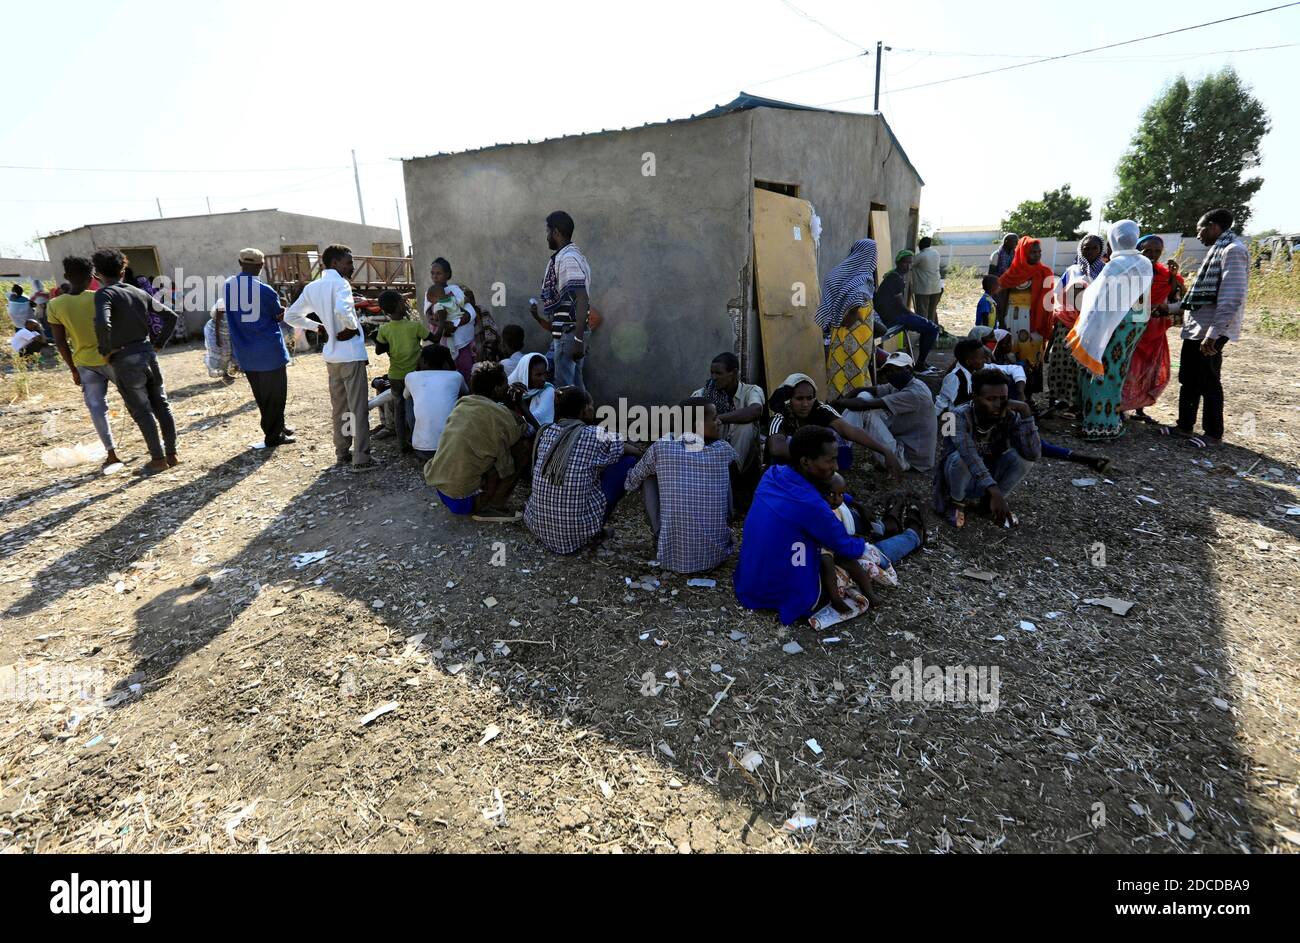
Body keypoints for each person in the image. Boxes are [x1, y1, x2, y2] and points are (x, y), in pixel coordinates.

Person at [736, 426, 908, 625]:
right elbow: (846, 546)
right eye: (830, 460)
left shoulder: (773, 474)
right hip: (786, 588)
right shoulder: (812, 506)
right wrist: (864, 547)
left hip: (752, 579)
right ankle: (913, 535)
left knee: (843, 527)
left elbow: (816, 497)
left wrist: (853, 503)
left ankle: (896, 524)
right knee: (869, 553)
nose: (836, 466)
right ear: (805, 462)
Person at [284, 244, 377, 470]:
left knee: (341, 408)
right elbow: (344, 310)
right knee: (357, 408)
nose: (352, 266)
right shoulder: (341, 284)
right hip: (350, 355)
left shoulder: (313, 287)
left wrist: (318, 327)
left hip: (332, 358)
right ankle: (362, 458)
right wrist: (351, 327)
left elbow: (291, 315)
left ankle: (342, 452)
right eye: (348, 262)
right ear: (335, 263)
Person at [624, 398, 737, 574]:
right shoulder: (724, 449)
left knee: (648, 476)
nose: (719, 422)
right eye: (714, 418)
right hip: (716, 555)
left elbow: (631, 482)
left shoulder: (662, 447)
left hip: (672, 558)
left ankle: (661, 535)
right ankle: (721, 530)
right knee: (724, 472)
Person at [524, 386, 643, 553]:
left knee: (589, 466)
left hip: (539, 526)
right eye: (591, 405)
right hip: (575, 532)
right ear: (585, 410)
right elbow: (623, 446)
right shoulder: (595, 434)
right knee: (627, 461)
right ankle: (594, 533)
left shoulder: (546, 431)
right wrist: (640, 452)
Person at [92, 248, 179, 474]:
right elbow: (170, 316)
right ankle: (172, 454)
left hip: (126, 358)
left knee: (142, 411)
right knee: (161, 405)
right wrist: (158, 343)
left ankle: (158, 460)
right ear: (123, 270)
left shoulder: (104, 294)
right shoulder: (138, 292)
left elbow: (103, 323)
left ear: (98, 272)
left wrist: (106, 350)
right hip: (148, 353)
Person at [1064, 220, 1153, 440]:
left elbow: (1096, 299)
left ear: (1113, 241)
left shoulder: (1115, 266)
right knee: (1117, 372)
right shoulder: (1144, 264)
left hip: (1111, 324)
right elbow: (1143, 301)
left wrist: (1090, 325)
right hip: (1133, 326)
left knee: (1097, 369)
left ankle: (1095, 425)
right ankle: (1110, 422)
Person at [933, 368, 1041, 528]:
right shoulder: (954, 416)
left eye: (1003, 398)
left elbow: (1033, 455)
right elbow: (968, 454)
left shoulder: (1010, 415)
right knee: (961, 458)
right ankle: (956, 503)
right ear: (975, 397)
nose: (998, 404)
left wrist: (1026, 413)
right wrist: (995, 491)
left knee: (1023, 460)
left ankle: (988, 503)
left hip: (988, 481)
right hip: (959, 479)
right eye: (991, 399)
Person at [1176, 208, 1248, 446]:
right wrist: (1170, 309)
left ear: (1214, 227)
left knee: (1208, 381)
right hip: (1198, 329)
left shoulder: (1233, 251)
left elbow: (1231, 297)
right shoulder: (1218, 251)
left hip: (1211, 331)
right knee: (1189, 378)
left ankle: (1213, 434)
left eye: (1200, 229)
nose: (1198, 236)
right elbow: (1199, 298)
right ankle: (1184, 426)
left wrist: (1214, 335)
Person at [423, 361, 529, 521]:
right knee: (523, 448)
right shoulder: (501, 416)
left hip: (443, 491)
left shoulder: (462, 405)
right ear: (497, 389)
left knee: (485, 451)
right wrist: (517, 404)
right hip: (464, 500)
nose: (508, 388)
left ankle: (483, 497)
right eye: (505, 385)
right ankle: (494, 506)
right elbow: (522, 429)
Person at [47, 255, 122, 470]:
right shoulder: (101, 297)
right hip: (112, 359)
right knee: (135, 401)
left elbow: (60, 342)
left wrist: (73, 369)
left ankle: (111, 453)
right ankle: (154, 445)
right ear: (92, 277)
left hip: (84, 363)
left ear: (66, 276)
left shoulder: (55, 305)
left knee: (97, 408)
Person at [223, 248, 295, 449]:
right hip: (268, 351)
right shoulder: (265, 290)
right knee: (276, 395)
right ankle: (274, 436)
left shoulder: (229, 287)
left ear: (240, 263)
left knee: (262, 396)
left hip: (245, 351)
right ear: (261, 266)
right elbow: (277, 315)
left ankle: (276, 426)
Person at [765, 373, 904, 477]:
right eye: (799, 399)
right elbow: (777, 449)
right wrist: (815, 460)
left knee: (834, 437)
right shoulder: (779, 417)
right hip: (789, 470)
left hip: (812, 464)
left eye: (810, 398)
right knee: (791, 442)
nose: (805, 404)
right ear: (789, 400)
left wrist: (886, 451)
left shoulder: (820, 409)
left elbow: (849, 431)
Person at [832, 351, 936, 474]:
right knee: (864, 395)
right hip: (900, 444)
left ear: (908, 369)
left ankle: (836, 449)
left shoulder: (914, 393)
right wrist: (844, 399)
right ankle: (838, 444)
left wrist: (837, 404)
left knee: (865, 412)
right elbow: (863, 390)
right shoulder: (900, 385)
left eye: (895, 370)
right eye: (888, 371)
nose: (890, 374)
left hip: (908, 459)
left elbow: (863, 405)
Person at [529, 210, 591, 391]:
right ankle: (585, 418)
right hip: (569, 333)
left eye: (548, 232)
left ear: (556, 232)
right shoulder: (567, 257)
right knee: (577, 388)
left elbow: (582, 298)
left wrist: (578, 339)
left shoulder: (568, 259)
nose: (547, 237)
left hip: (569, 333)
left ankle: (570, 420)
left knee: (564, 390)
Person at [692, 351, 765, 503]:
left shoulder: (751, 391)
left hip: (743, 461)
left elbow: (755, 410)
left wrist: (718, 419)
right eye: (712, 372)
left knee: (745, 425)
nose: (713, 377)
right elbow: (686, 416)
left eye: (718, 373)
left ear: (734, 373)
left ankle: (732, 477)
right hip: (710, 457)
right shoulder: (705, 393)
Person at [1122, 235, 1179, 419]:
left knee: (1149, 369)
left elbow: (1173, 297)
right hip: (1133, 327)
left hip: (1155, 329)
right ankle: (1121, 406)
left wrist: (1172, 278)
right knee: (1129, 368)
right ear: (1139, 250)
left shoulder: (1165, 274)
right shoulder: (1130, 271)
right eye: (1148, 250)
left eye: (1157, 251)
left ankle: (1140, 407)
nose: (1152, 254)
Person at [1046, 234, 1105, 413]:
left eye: (1094, 248)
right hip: (1067, 322)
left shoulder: (1106, 271)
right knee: (1061, 360)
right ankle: (1061, 397)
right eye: (1086, 248)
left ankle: (1078, 401)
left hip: (1091, 323)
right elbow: (1059, 293)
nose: (1090, 251)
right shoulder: (1072, 270)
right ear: (1081, 249)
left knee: (1081, 362)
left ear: (1101, 249)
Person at [817, 237, 880, 396]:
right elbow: (856, 304)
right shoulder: (861, 279)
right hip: (853, 336)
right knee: (853, 370)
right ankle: (850, 405)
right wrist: (848, 320)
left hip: (846, 335)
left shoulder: (849, 275)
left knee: (840, 370)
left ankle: (841, 402)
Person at [374, 288, 435, 452]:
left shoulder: (384, 329)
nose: (405, 303)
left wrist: (390, 344)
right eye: (402, 301)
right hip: (414, 375)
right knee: (413, 408)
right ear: (398, 305)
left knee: (399, 411)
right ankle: (417, 441)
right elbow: (434, 339)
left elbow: (378, 350)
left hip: (395, 376)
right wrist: (440, 324)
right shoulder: (414, 326)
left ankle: (402, 444)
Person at [997, 237, 1054, 386]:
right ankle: (1012, 392)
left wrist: (1046, 323)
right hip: (1012, 319)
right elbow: (1002, 299)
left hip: (1034, 321)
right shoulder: (1012, 274)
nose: (1037, 255)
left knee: (1032, 357)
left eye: (1039, 252)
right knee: (1012, 354)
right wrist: (1001, 322)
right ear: (1023, 253)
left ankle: (1028, 394)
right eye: (1032, 252)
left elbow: (1048, 302)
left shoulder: (1045, 272)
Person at [875, 250, 939, 374]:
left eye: (911, 263)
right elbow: (900, 307)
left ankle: (921, 362)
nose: (909, 266)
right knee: (932, 329)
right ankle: (920, 364)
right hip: (892, 318)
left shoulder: (895, 276)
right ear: (899, 263)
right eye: (906, 263)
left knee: (929, 327)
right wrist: (914, 315)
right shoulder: (895, 279)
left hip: (893, 315)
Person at [404, 344, 467, 462]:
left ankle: (413, 436)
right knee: (460, 397)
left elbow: (405, 396)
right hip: (453, 448)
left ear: (423, 360)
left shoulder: (411, 377)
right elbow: (467, 393)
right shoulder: (456, 376)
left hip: (423, 450)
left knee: (409, 399)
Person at [424, 257, 476, 382]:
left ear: (447, 274)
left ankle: (466, 393)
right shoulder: (430, 293)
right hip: (443, 337)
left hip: (460, 336)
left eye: (438, 273)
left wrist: (455, 324)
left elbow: (467, 309)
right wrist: (441, 324)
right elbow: (428, 314)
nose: (435, 277)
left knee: (465, 367)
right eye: (432, 273)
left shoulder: (455, 290)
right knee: (446, 367)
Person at [507, 351, 555, 429]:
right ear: (525, 375)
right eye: (538, 375)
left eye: (545, 374)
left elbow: (539, 420)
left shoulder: (548, 390)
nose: (543, 379)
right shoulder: (512, 388)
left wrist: (520, 403)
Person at [911, 236, 943, 324]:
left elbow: (908, 264)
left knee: (922, 313)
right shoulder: (936, 253)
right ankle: (932, 333)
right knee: (931, 313)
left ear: (921, 245)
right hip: (937, 287)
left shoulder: (921, 256)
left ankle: (924, 334)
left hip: (924, 289)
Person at [987, 232, 1018, 322]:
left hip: (1010, 286)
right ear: (1006, 242)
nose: (1016, 244)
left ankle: (1003, 325)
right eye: (1014, 241)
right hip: (998, 287)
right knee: (998, 308)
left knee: (1007, 308)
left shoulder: (1014, 254)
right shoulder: (996, 255)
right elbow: (991, 274)